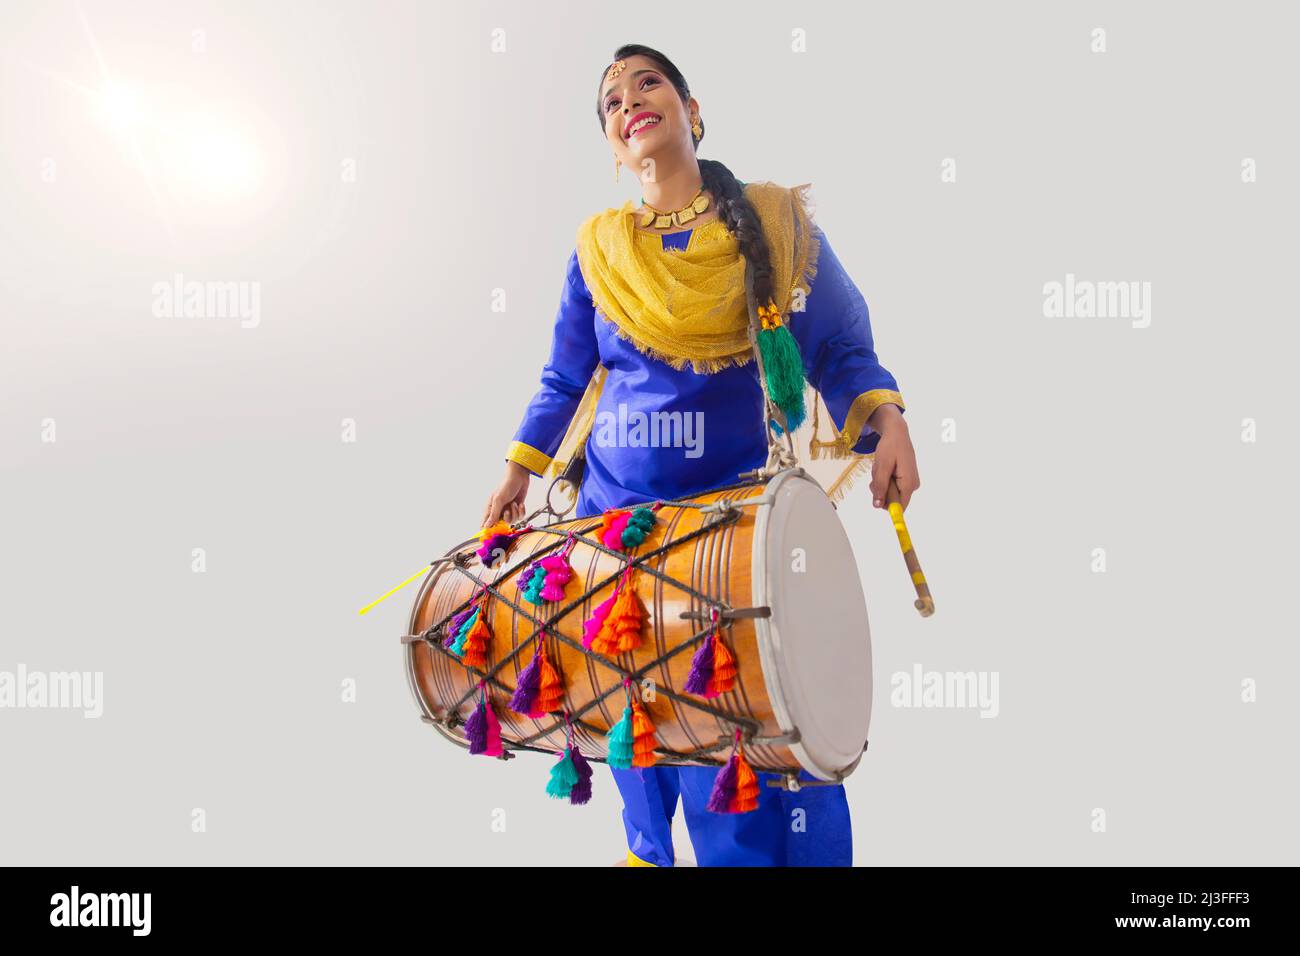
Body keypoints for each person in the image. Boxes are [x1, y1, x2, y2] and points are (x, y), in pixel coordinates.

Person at [481, 45, 920, 867]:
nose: (629, 101)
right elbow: (565, 376)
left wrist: (886, 420)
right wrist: (518, 473)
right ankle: (646, 853)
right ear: (614, 146)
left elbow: (837, 344)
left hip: (725, 530)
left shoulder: (770, 222)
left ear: (692, 110)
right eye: (611, 100)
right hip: (610, 525)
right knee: (626, 719)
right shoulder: (598, 249)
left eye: (648, 84)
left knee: (729, 732)